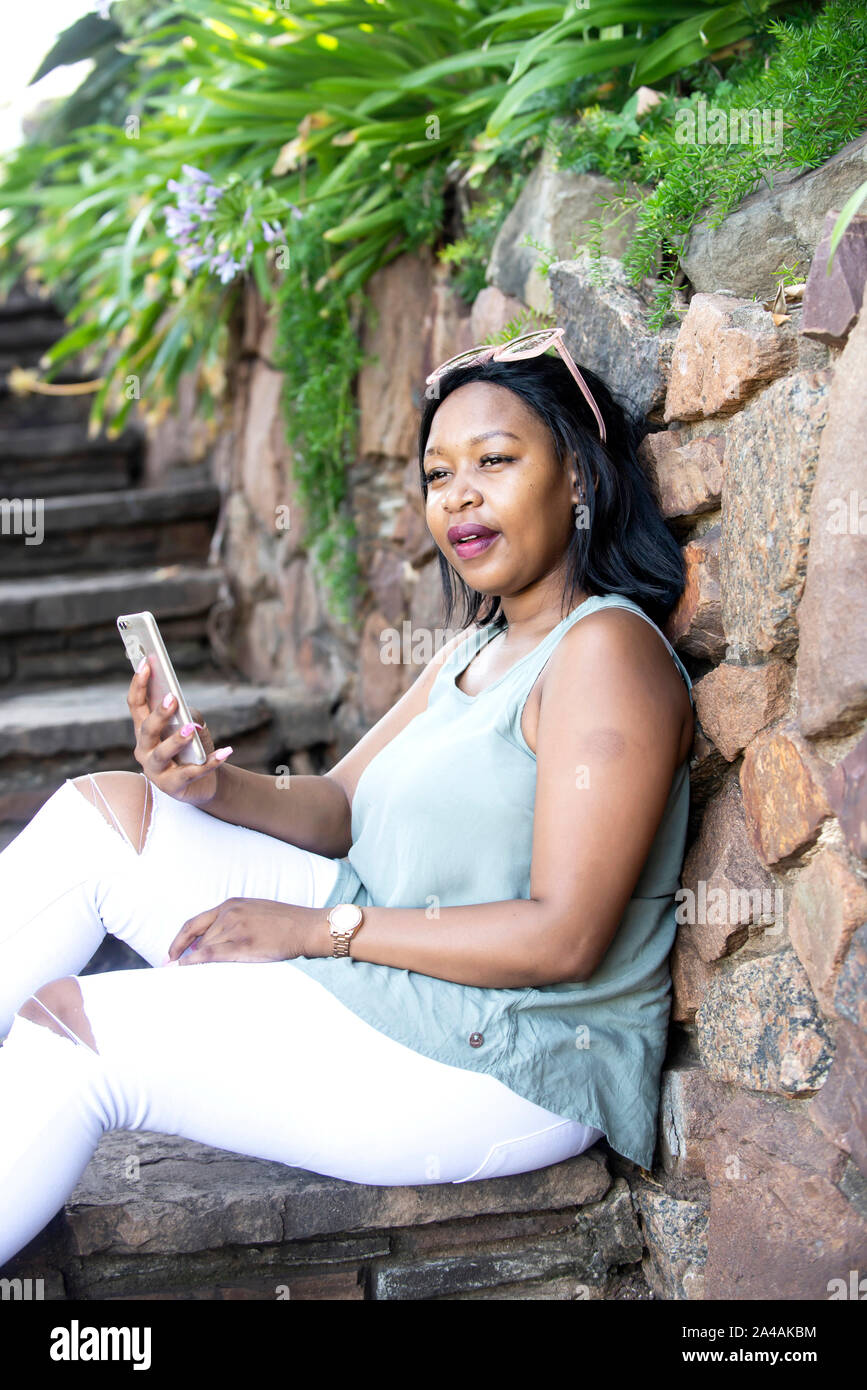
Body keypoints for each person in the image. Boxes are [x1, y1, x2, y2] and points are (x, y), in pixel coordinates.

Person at [0, 329, 695, 1269]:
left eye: (494, 461)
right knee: (105, 814)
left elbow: (561, 939)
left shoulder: (605, 654)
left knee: (73, 1031)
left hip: (502, 1060)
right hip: (389, 962)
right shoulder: (475, 648)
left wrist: (316, 928)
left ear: (577, 478)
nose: (458, 497)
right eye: (437, 473)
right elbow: (337, 806)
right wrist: (209, 782)